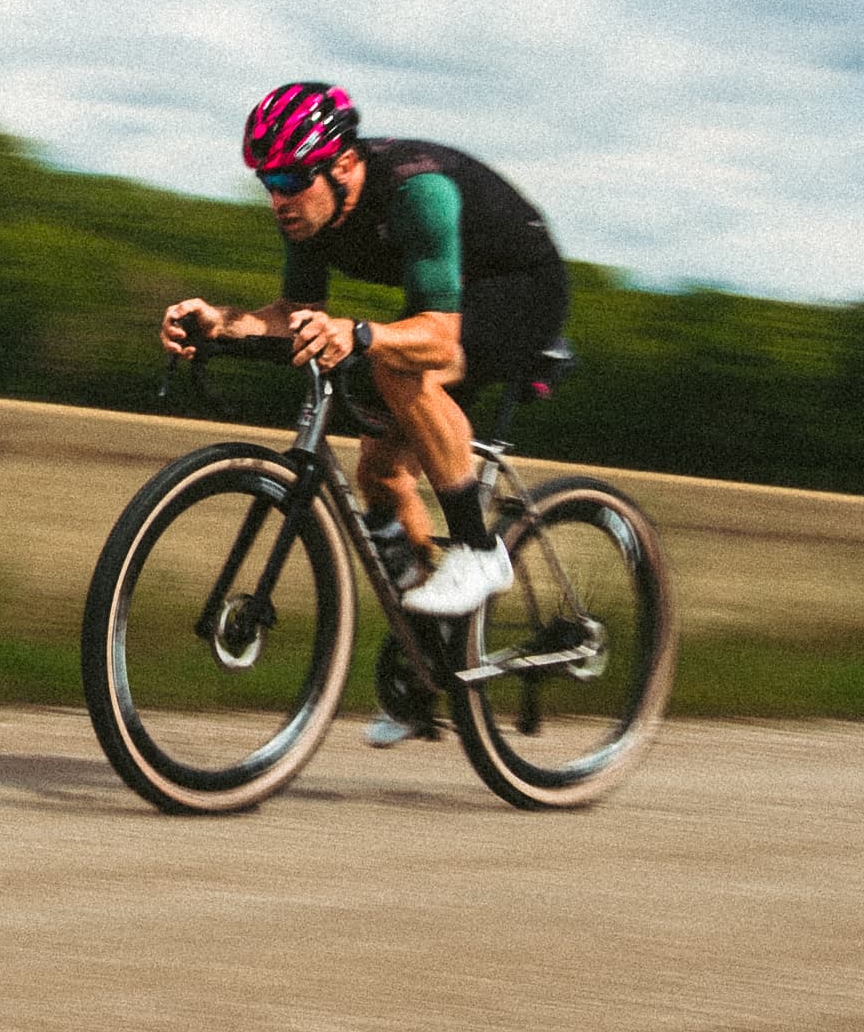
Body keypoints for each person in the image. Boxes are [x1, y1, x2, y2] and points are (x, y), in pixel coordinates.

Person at [159, 83, 574, 736]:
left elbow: (434, 335)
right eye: (267, 179)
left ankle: (478, 547)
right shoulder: (309, 216)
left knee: (390, 361)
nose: (278, 197)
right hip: (447, 305)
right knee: (379, 477)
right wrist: (222, 323)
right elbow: (294, 316)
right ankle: (429, 647)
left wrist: (358, 333)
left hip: (521, 289)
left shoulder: (417, 193)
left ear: (343, 164)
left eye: (292, 177)